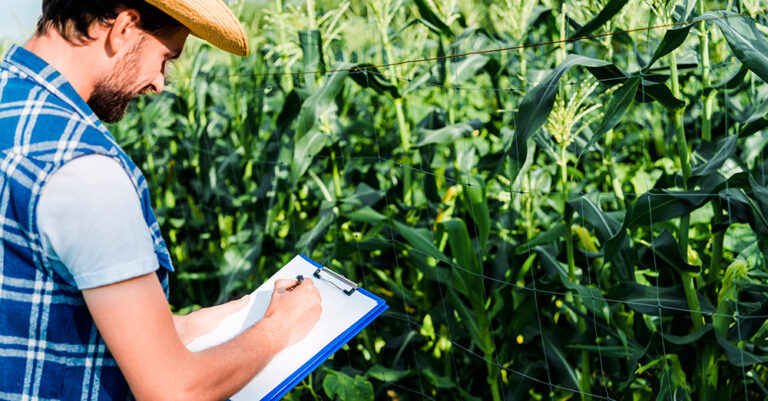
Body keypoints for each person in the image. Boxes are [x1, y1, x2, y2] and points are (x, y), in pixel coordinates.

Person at [0, 1, 322, 400]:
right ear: (124, 28)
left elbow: (42, 313)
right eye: (165, 57)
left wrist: (203, 323)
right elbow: (172, 390)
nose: (159, 83)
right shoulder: (84, 171)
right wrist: (279, 330)